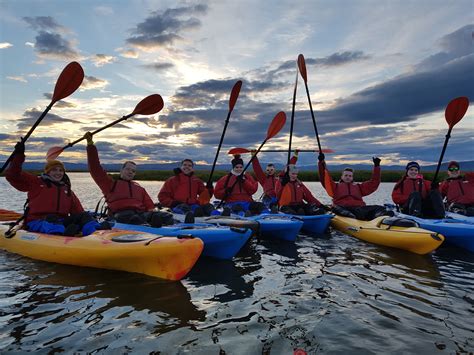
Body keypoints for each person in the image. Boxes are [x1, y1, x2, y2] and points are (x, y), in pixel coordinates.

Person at [5, 141, 100, 236]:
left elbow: (78, 211)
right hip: (37, 222)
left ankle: (95, 233)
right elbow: (13, 175)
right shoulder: (36, 183)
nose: (58, 173)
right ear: (47, 172)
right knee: (52, 218)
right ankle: (61, 234)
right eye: (54, 170)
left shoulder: (67, 190)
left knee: (83, 216)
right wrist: (19, 155)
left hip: (61, 221)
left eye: (61, 170)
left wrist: (86, 218)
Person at [84, 132, 171, 226]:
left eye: (133, 171)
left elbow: (150, 207)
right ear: (121, 170)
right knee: (131, 217)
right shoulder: (110, 184)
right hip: (120, 215)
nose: (130, 172)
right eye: (128, 169)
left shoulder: (139, 188)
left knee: (166, 216)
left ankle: (159, 225)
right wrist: (90, 145)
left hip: (140, 214)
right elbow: (95, 168)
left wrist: (153, 213)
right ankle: (148, 226)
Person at [318, 153, 392, 220]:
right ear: (342, 177)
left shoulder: (358, 187)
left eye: (350, 176)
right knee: (337, 208)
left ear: (352, 178)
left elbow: (374, 182)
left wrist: (377, 166)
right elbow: (324, 177)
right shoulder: (335, 186)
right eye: (346, 175)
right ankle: (351, 217)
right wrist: (321, 162)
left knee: (380, 208)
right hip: (342, 208)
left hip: (357, 209)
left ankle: (384, 218)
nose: (348, 177)